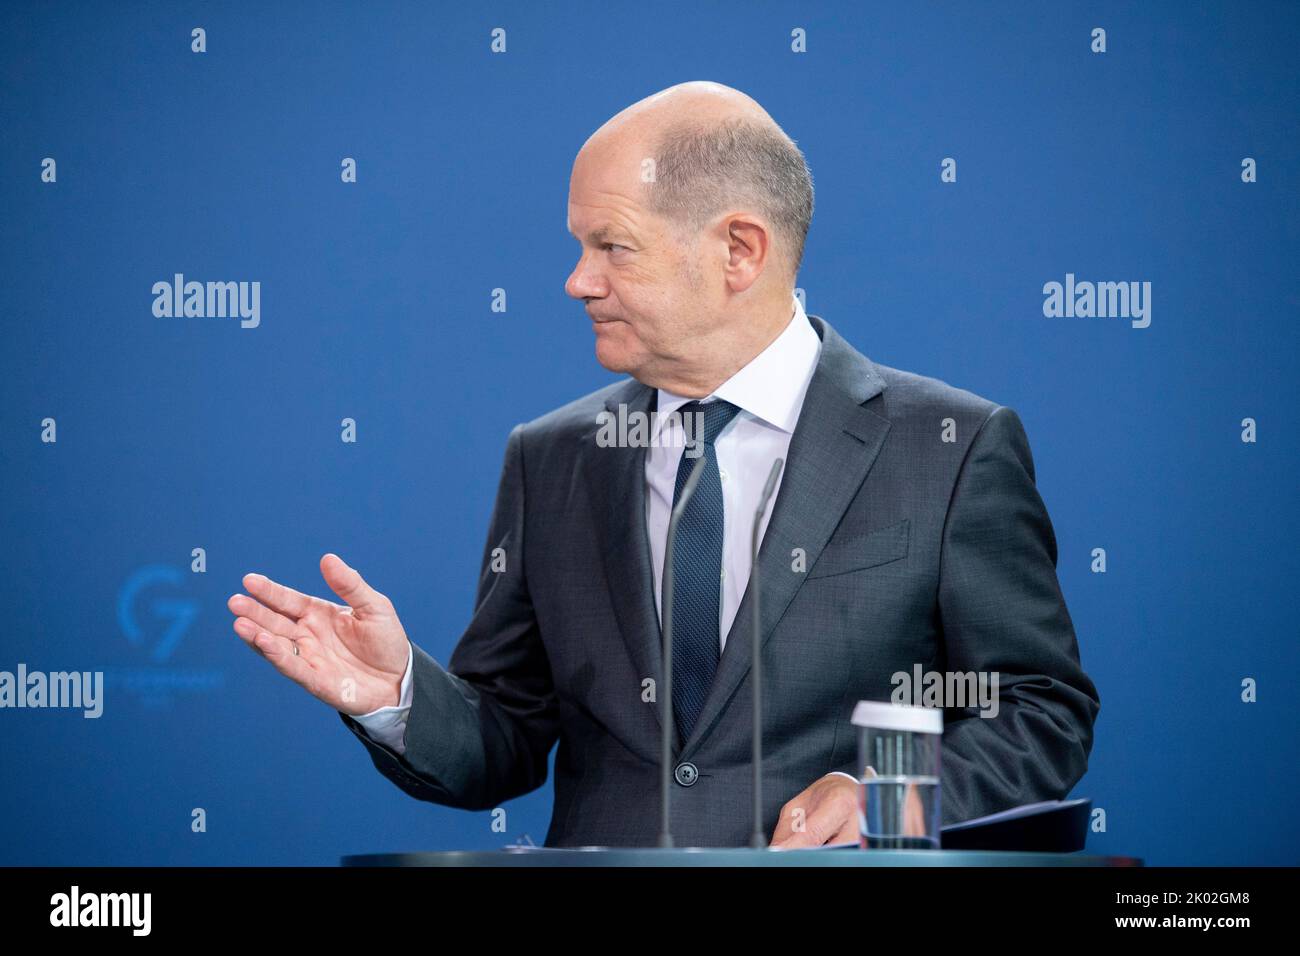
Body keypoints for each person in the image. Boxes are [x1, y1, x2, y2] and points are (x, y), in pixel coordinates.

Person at [227, 80, 1099, 848]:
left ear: (739, 252)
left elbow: (1034, 710)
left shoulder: (949, 447)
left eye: (612, 246)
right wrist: (396, 693)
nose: (578, 281)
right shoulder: (551, 458)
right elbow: (507, 737)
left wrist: (888, 800)